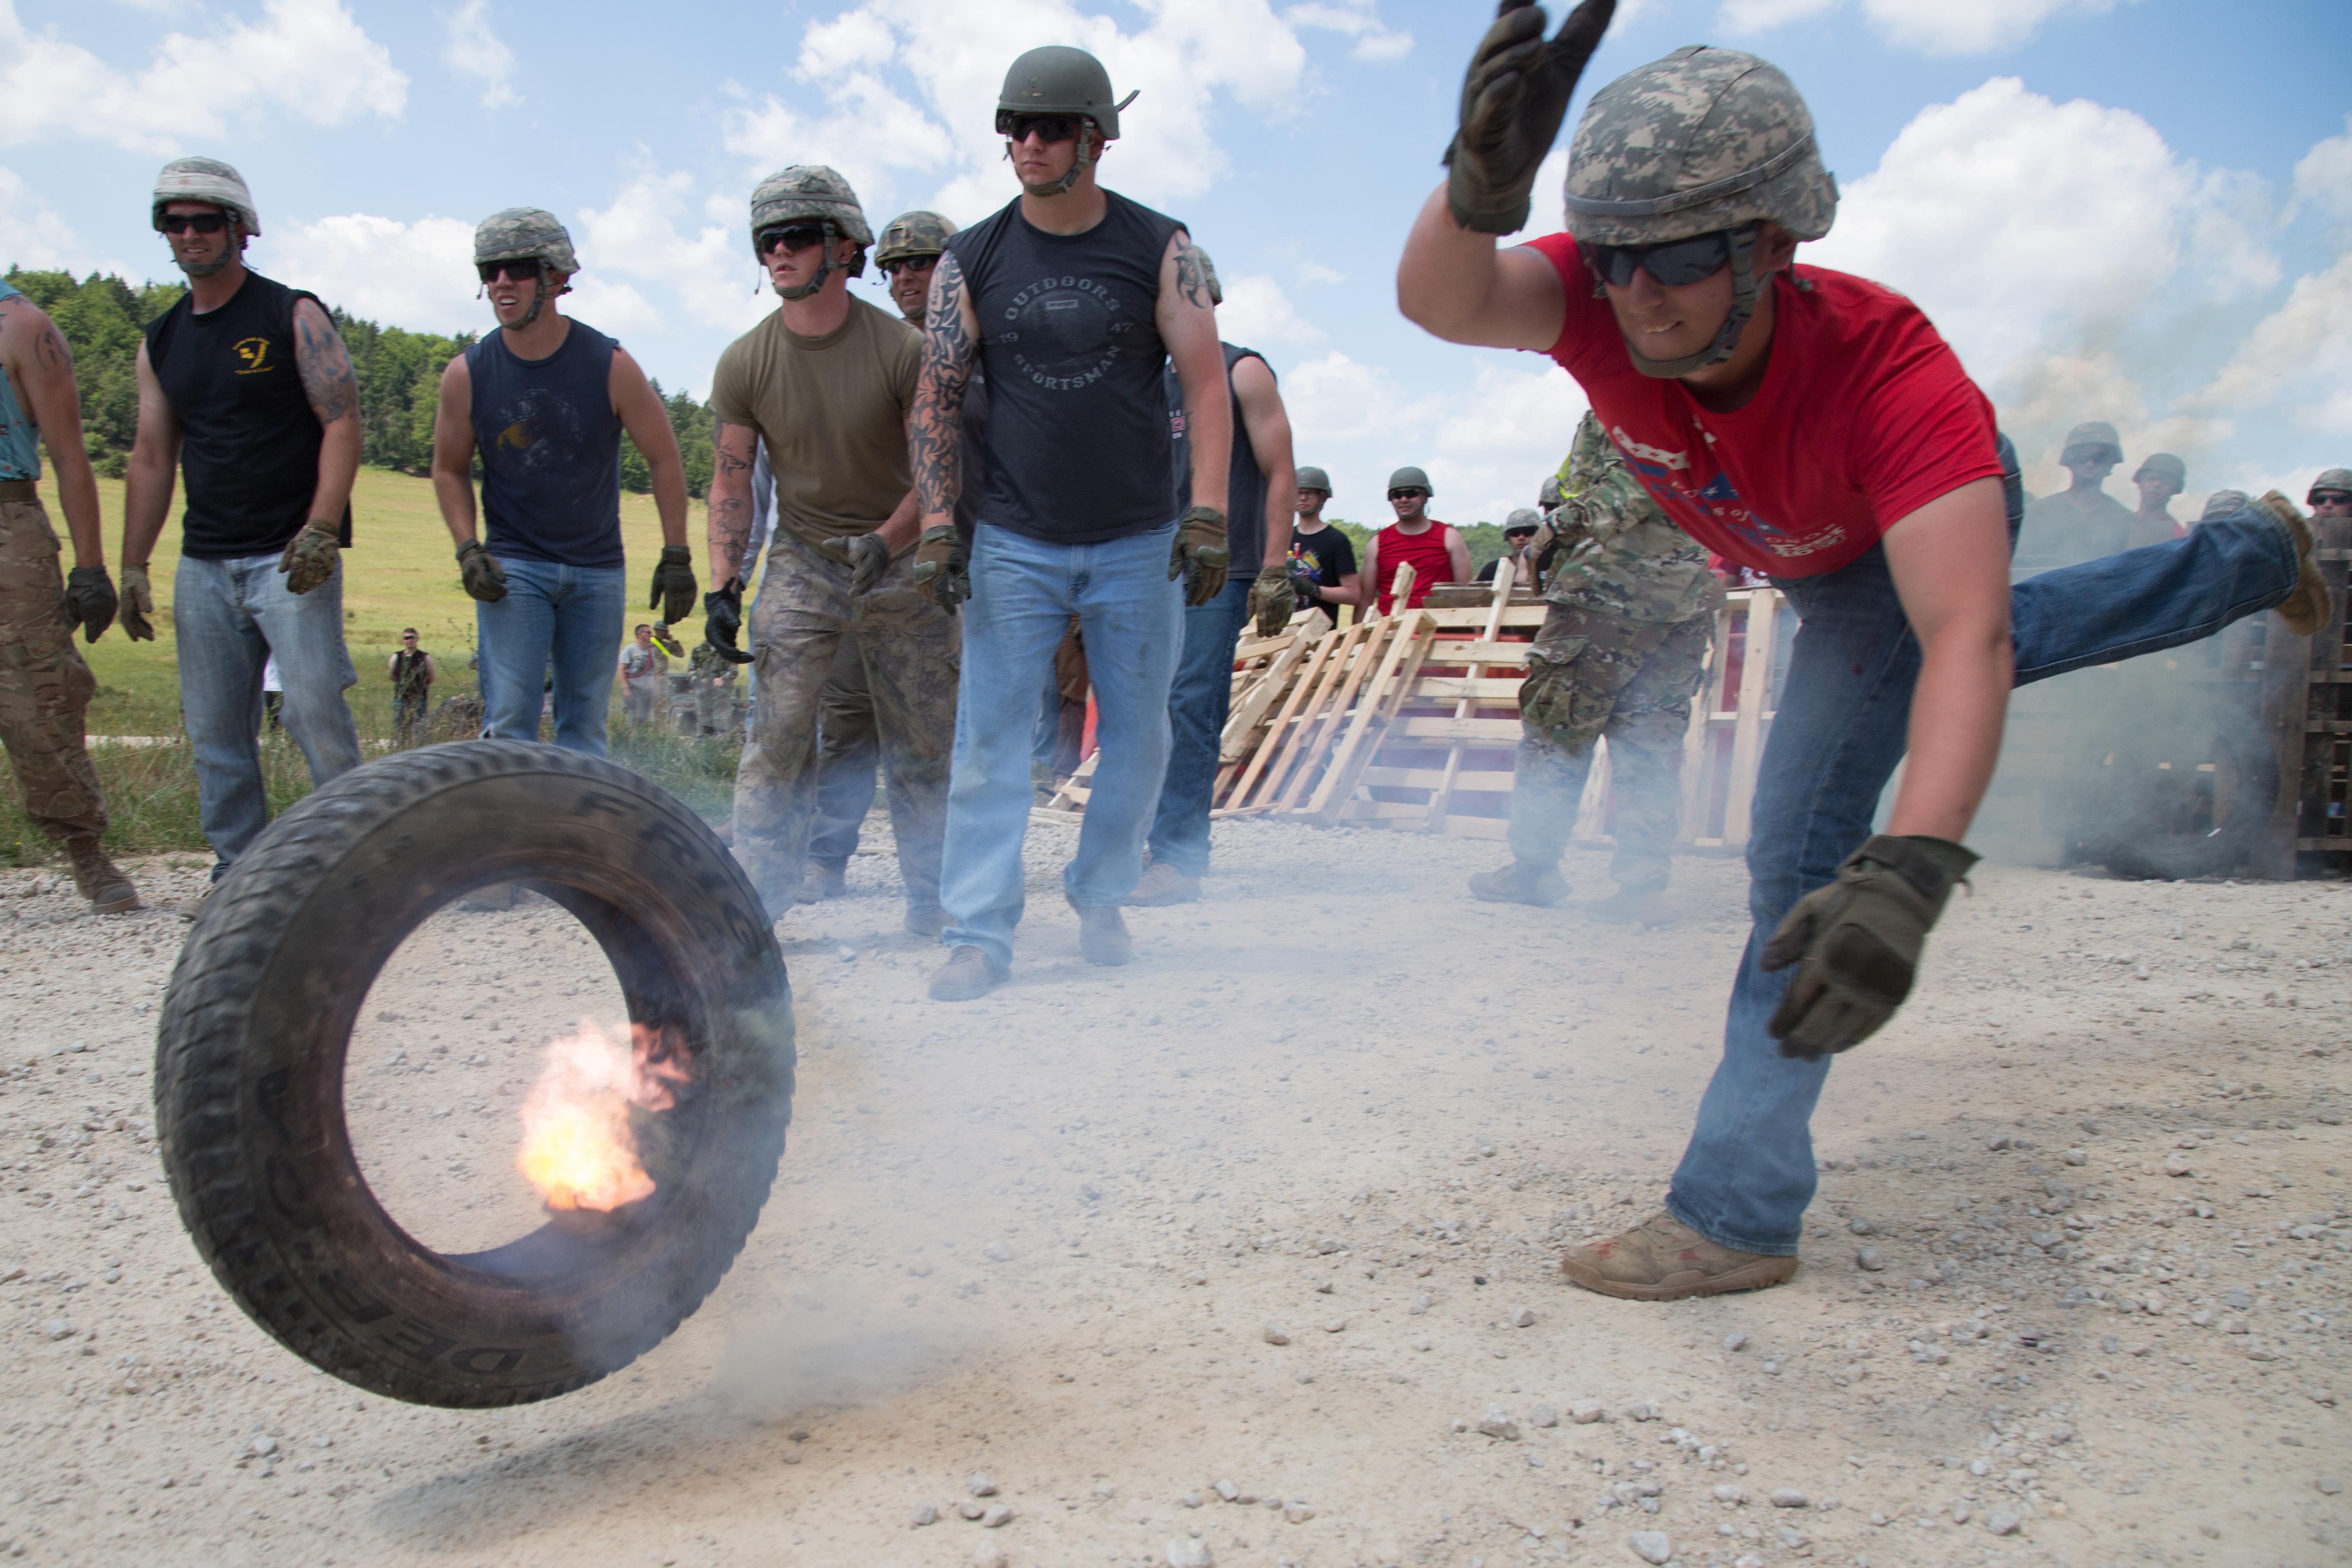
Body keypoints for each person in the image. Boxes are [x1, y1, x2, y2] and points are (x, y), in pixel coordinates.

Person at [1397, 7, 2324, 1300]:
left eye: (1684, 254)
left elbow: (1963, 636)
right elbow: (1444, 301)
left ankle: (1735, 1208)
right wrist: (1476, 192)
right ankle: (2246, 559)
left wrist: (1911, 868)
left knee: (1804, 856)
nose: (1641, 291)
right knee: (1958, 656)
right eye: (1614, 255)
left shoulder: (1894, 378)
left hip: (1891, 537)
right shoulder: (1605, 299)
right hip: (1810, 552)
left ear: (1774, 244)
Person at [911, 43, 1232, 999]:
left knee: (1141, 736)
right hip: (1015, 539)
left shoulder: (1162, 247)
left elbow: (1206, 384)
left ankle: (1100, 892)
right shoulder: (970, 259)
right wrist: (938, 522)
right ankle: (978, 932)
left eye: (1050, 127)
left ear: (1097, 138)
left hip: (1139, 538)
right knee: (990, 744)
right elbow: (937, 394)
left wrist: (1208, 513)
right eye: (1015, 127)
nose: (1029, 143)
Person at [703, 165, 958, 936]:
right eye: (766, 241)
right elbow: (732, 479)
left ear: (845, 248)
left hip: (902, 560)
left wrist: (886, 543)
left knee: (923, 745)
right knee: (776, 738)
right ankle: (757, 911)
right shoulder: (744, 360)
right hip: (805, 559)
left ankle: (933, 901)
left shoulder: (901, 350)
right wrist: (724, 583)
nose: (779, 252)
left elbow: (937, 470)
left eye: (797, 236)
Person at [123, 156, 365, 881]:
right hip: (204, 562)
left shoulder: (292, 314)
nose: (189, 234)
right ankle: (240, 873)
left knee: (315, 715)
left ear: (241, 229)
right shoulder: (161, 341)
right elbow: (151, 457)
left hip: (291, 557)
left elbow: (343, 421)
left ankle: (357, 864)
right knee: (216, 733)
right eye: (174, 222)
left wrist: (321, 528)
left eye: (205, 220)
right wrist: (132, 565)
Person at [431, 208, 692, 758]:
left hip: (597, 569)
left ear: (554, 277)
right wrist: (468, 549)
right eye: (490, 271)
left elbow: (665, 457)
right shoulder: (468, 374)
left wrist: (676, 555)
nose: (502, 282)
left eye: (519, 269)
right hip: (514, 567)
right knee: (511, 723)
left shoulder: (609, 364)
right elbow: (448, 468)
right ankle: (511, 816)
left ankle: (580, 819)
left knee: (585, 730)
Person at [1466, 411, 1720, 923]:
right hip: (1685, 595)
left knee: (1556, 732)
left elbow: (1640, 477)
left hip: (1607, 592)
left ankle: (1535, 870)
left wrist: (1559, 526)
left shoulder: (1633, 393)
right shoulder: (1703, 391)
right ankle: (1643, 886)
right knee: (1650, 746)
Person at [795, 210, 962, 902]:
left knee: (930, 734)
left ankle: (936, 881)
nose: (904, 279)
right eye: (893, 268)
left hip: (942, 571)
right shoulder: (868, 352)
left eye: (920, 263)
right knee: (846, 720)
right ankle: (826, 860)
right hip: (862, 565)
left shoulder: (972, 357)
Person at [1132, 246, 1297, 907]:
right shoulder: (1149, 385)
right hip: (1149, 567)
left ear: (1212, 300)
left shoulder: (1242, 371)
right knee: (1141, 707)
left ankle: (1178, 857)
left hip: (1219, 570)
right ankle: (1138, 844)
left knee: (1191, 702)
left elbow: (1281, 472)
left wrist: (1276, 568)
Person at [0, 273, 137, 912]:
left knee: (41, 694)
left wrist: (90, 568)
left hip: (9, 528)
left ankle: (85, 848)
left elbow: (68, 453)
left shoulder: (25, 327)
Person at [2015, 420, 2135, 571]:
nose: (2090, 464)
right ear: (2069, 461)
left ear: (2111, 464)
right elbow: (2020, 567)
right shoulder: (2036, 513)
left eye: (2099, 457)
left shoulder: (2126, 520)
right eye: (2082, 456)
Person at [1361, 467, 1470, 614]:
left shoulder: (1449, 537)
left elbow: (1465, 594)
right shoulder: (1377, 543)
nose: (1404, 500)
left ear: (1425, 497)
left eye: (1411, 494)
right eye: (1397, 495)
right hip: (1389, 626)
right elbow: (1365, 600)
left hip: (1437, 624)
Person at [1287, 465, 1360, 620]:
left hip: (1320, 631)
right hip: (1283, 629)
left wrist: (1313, 590)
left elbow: (1353, 595)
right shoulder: (1284, 537)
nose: (1303, 498)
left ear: (1323, 497)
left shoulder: (1337, 540)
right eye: (1298, 493)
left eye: (1310, 493)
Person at [2129, 452, 2187, 548]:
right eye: (2152, 478)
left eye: (2166, 482)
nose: (2157, 484)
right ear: (2140, 483)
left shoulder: (2177, 535)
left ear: (2174, 490)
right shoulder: (2123, 523)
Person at [389, 628, 434, 744]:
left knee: (419, 728)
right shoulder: (396, 657)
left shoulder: (424, 657)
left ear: (417, 639)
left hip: (419, 700)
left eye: (412, 637)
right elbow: (392, 676)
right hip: (400, 700)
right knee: (400, 729)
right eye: (406, 638)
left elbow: (431, 677)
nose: (409, 640)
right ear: (403, 640)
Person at [1476, 508, 1543, 583]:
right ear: (1508, 538)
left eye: (1528, 532)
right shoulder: (1493, 570)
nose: (1521, 538)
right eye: (1515, 533)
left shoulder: (1548, 570)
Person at [618, 623, 666, 726]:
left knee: (645, 717)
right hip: (633, 689)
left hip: (647, 691)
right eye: (649, 632)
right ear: (640, 634)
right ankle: (631, 735)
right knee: (633, 716)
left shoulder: (651, 652)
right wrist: (626, 688)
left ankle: (642, 735)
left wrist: (657, 688)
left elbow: (654, 671)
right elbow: (621, 669)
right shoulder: (630, 650)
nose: (651, 635)